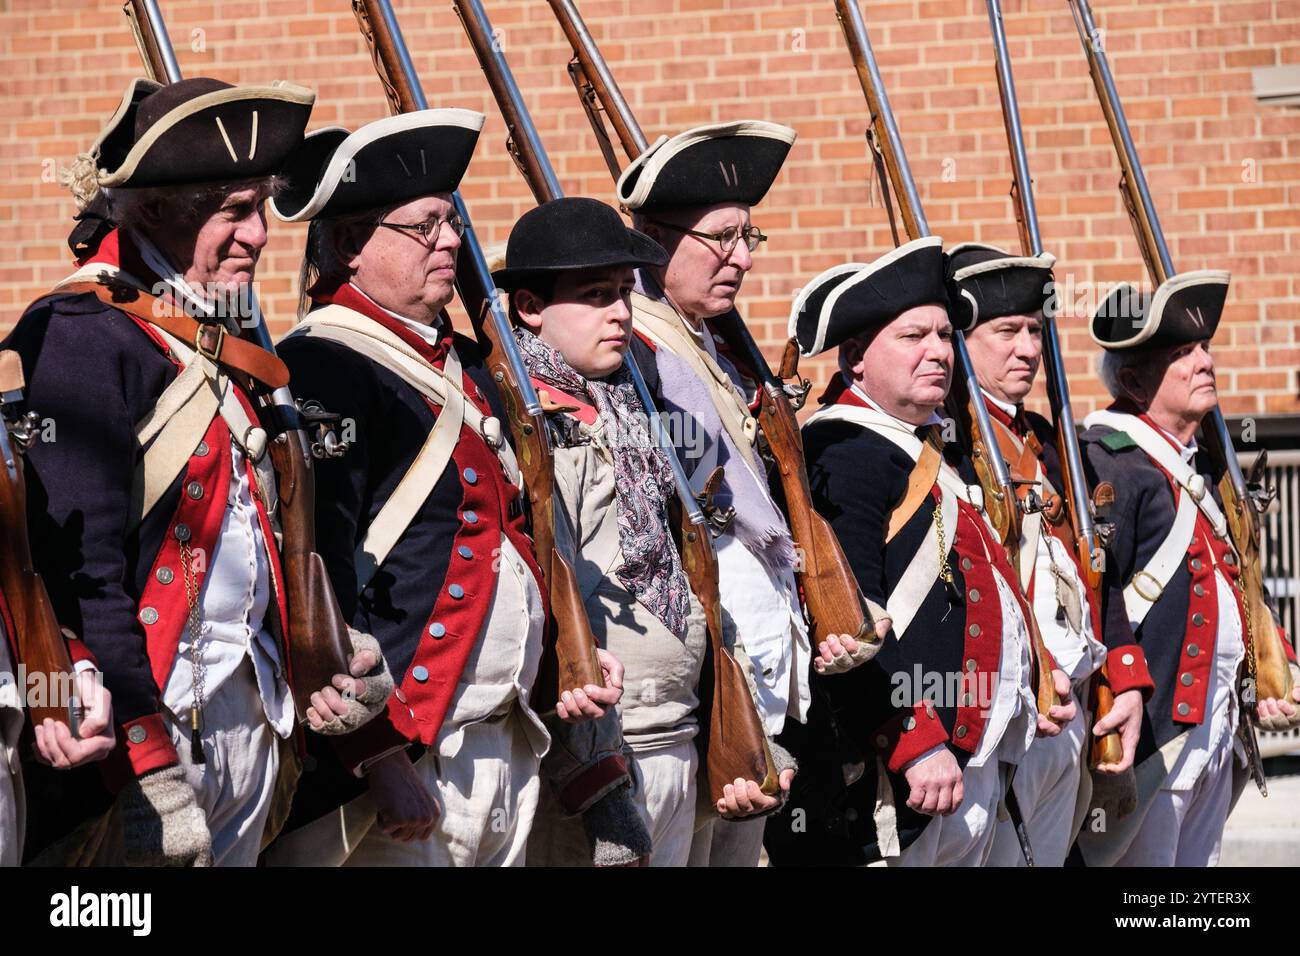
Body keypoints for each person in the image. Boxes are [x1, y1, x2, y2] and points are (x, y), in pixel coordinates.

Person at [2, 77, 390, 867]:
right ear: (150, 211)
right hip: (154, 728)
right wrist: (146, 761)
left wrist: (330, 650)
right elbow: (80, 568)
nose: (257, 234)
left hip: (251, 718)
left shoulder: (222, 332)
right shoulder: (84, 332)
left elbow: (264, 529)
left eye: (261, 208)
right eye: (230, 211)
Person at [264, 113, 622, 867]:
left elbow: (513, 535)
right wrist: (373, 755)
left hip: (503, 735)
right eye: (424, 227)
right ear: (350, 246)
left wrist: (565, 651)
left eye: (450, 223)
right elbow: (312, 574)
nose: (451, 243)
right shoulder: (322, 366)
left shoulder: (465, 362)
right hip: (408, 749)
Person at [497, 196, 795, 866]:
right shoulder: (524, 417)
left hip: (679, 728)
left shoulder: (637, 402)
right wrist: (592, 773)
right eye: (596, 294)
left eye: (626, 293)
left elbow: (695, 575)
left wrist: (740, 728)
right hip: (600, 747)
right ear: (528, 307)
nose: (621, 313)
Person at [767, 237, 1074, 866]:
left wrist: (1037, 675)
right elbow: (842, 624)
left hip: (967, 754)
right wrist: (909, 733)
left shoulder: (925, 447)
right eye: (913, 337)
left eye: (942, 334)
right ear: (854, 358)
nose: (938, 351)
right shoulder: (842, 452)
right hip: (902, 768)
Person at [618, 121, 819, 865]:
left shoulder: (706, 343)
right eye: (721, 237)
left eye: (747, 235)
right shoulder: (636, 347)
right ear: (658, 241)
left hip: (750, 667)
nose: (742, 258)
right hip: (700, 665)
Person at [1074, 271, 1300, 866]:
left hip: (1215, 724)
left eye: (1202, 348)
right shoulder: (1110, 460)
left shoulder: (1198, 465)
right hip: (1155, 734)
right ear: (1133, 380)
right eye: (1181, 354)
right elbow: (1098, 590)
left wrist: (1273, 656)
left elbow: (1233, 577)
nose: (1204, 362)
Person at [948, 243, 1110, 865]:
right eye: (1006, 330)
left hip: (1067, 706)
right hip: (1006, 715)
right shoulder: (955, 443)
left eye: (1035, 330)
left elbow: (1088, 567)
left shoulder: (1041, 438)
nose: (1028, 348)